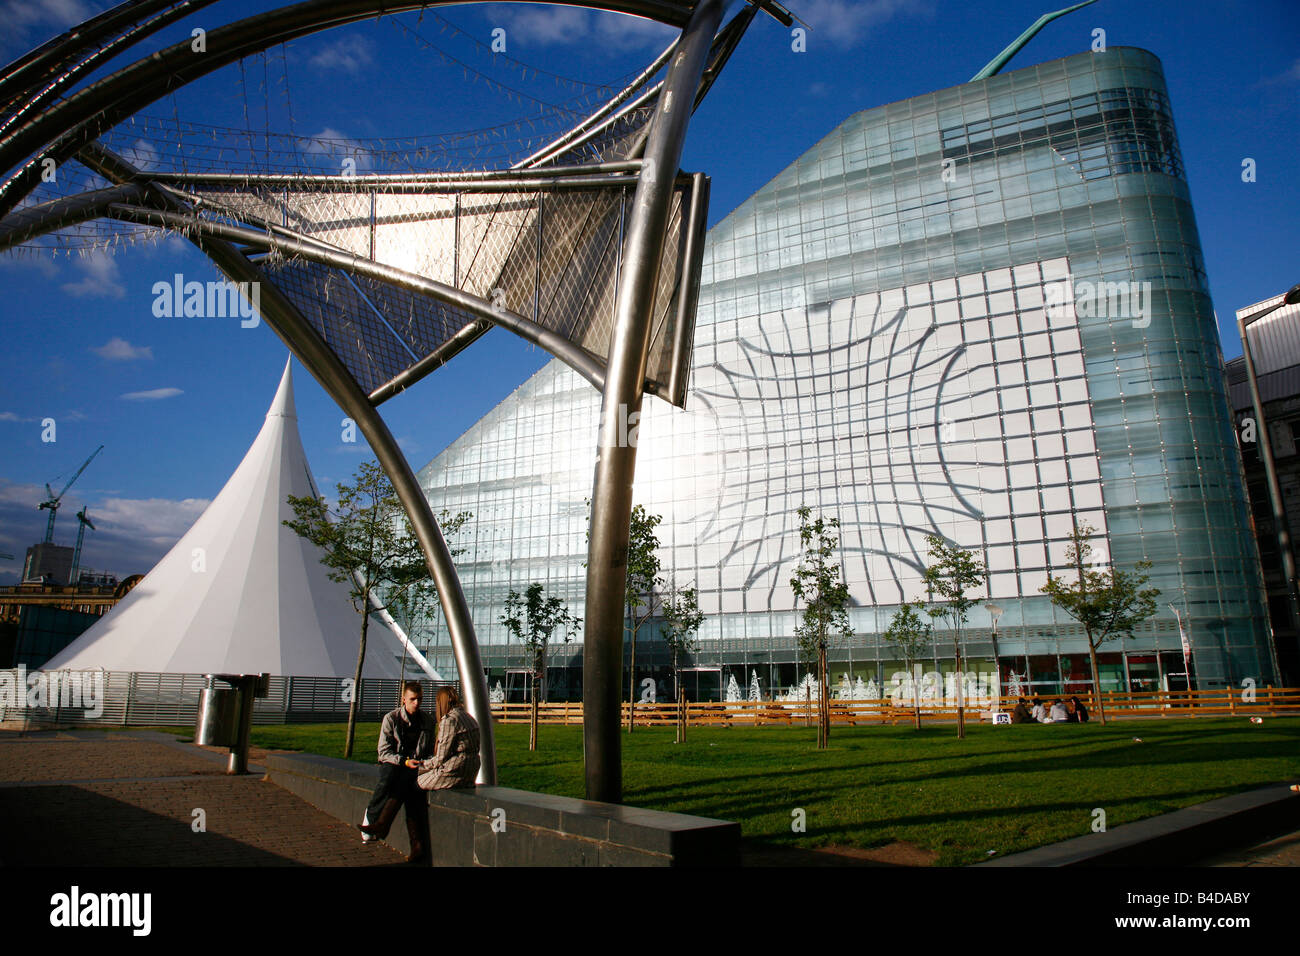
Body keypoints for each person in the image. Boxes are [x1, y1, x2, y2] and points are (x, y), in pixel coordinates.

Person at [359, 680, 436, 864]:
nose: (417, 703)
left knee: (408, 787)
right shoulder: (391, 719)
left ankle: (383, 826)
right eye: (413, 699)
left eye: (420, 699)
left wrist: (420, 763)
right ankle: (373, 816)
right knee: (396, 780)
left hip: (417, 768)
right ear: (404, 700)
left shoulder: (427, 721)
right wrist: (404, 761)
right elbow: (384, 753)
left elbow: (431, 751)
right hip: (395, 765)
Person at [417, 686, 481, 791]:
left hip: (455, 769)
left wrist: (421, 764)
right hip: (472, 768)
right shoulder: (469, 718)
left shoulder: (449, 720)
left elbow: (440, 758)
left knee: (415, 783)